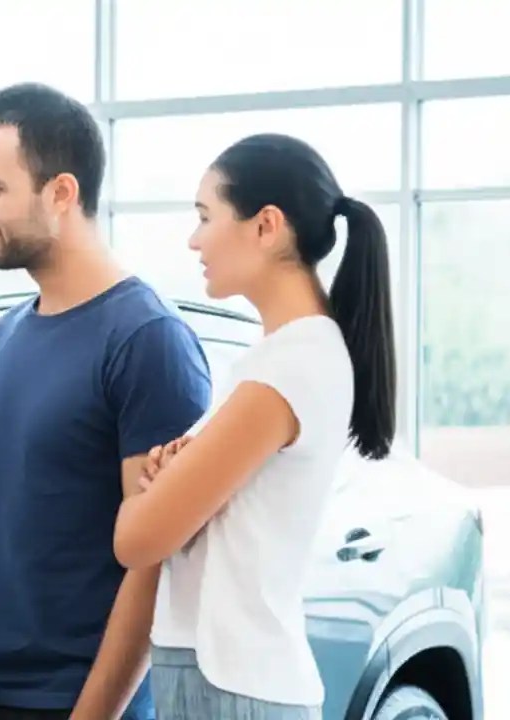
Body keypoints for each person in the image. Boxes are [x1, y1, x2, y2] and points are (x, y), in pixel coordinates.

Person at [0, 83, 213, 720]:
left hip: (75, 704)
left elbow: (156, 562)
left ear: (61, 192)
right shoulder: (2, 336)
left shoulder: (148, 342)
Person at [113, 133, 397, 719]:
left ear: (266, 226)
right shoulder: (281, 357)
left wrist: (150, 493)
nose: (194, 240)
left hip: (233, 688)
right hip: (222, 678)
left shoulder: (289, 365)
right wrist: (163, 489)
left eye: (205, 216)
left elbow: (136, 541)